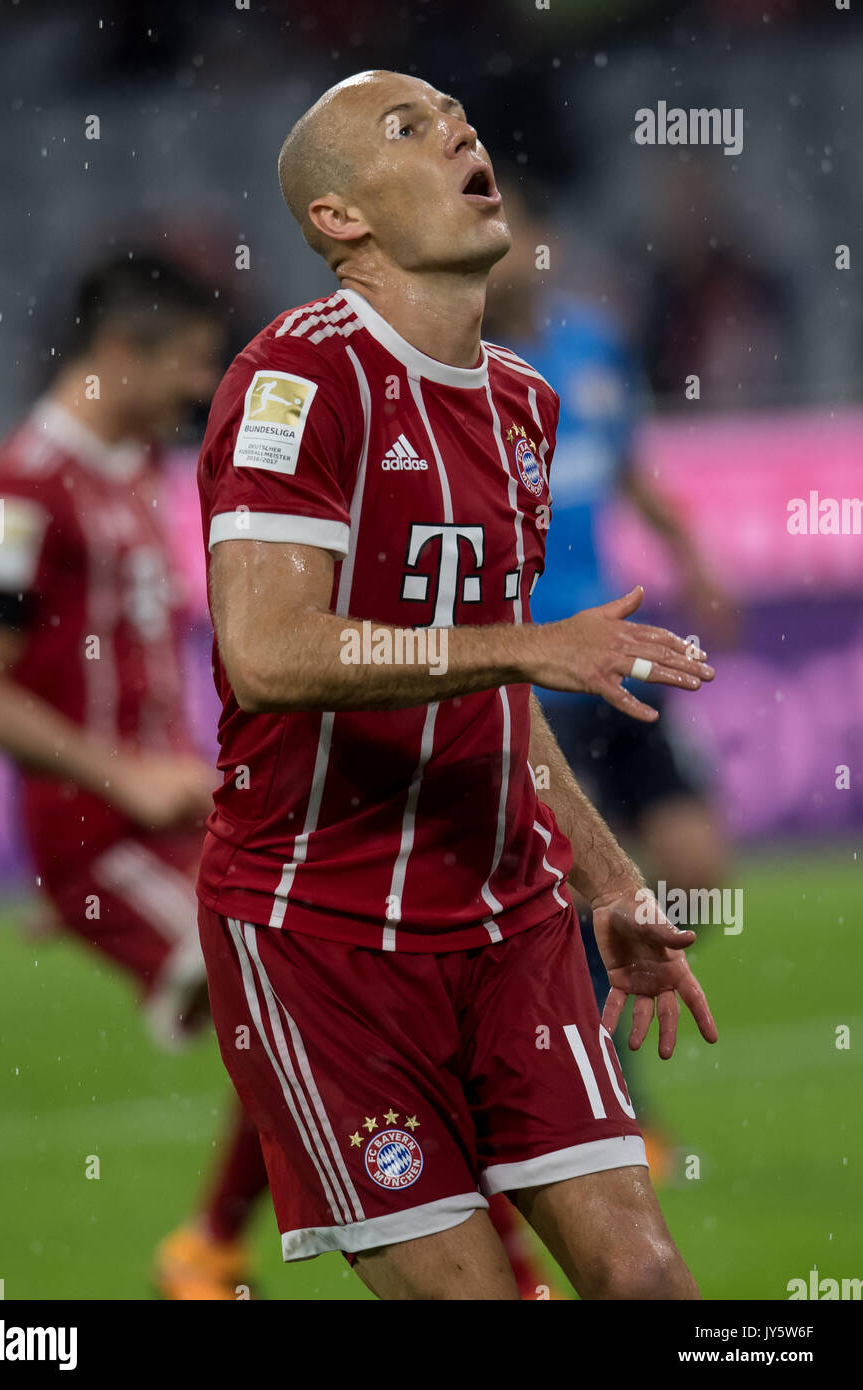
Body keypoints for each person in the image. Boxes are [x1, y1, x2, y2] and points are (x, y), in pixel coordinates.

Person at [196, 69, 718, 1301]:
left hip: (509, 923)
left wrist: (611, 883)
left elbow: (500, 702)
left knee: (648, 1278)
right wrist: (519, 645)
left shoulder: (525, 406)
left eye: (462, 123)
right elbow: (265, 653)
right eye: (409, 129)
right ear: (341, 219)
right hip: (320, 932)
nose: (461, 135)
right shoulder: (292, 380)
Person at [0, 253, 268, 1300]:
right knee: (305, 1008)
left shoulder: (131, 465)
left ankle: (209, 1252)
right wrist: (110, 796)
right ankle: (209, 1251)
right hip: (109, 832)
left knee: (327, 1006)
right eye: (187, 368)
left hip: (166, 822)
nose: (194, 395)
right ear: (121, 351)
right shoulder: (21, 487)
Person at [485, 177, 732, 1174]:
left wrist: (695, 558)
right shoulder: (469, 368)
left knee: (697, 871)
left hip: (619, 651)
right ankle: (610, 1101)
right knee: (579, 886)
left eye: (520, 233)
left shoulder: (592, 343)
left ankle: (589, 1027)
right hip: (538, 667)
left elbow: (625, 465)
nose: (509, 254)